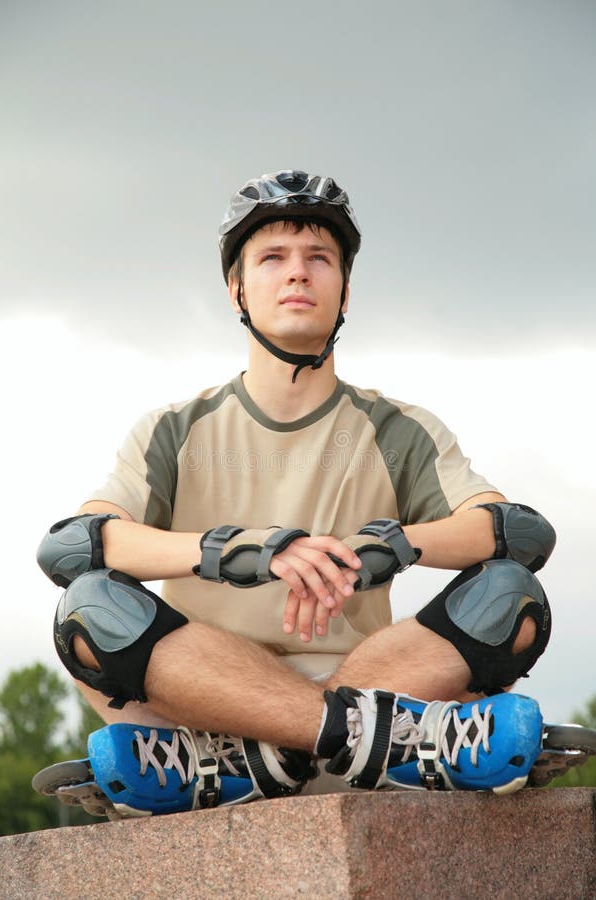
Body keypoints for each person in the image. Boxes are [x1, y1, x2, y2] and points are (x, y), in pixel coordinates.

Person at [36, 170, 556, 818]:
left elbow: (519, 532)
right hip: (224, 696)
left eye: (319, 258)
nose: (298, 274)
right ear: (237, 290)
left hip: (362, 688)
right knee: (87, 608)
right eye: (273, 258)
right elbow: (70, 547)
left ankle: (270, 756)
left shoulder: (400, 429)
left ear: (344, 290)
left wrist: (391, 545)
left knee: (513, 596)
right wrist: (237, 551)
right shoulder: (173, 429)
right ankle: (379, 741)